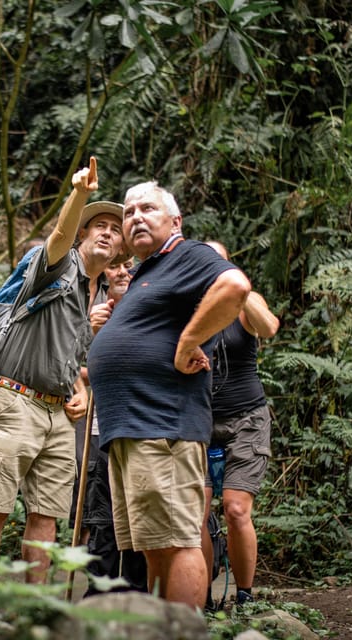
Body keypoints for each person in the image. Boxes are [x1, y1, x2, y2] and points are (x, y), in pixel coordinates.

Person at [87, 181, 251, 609]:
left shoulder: (187, 254)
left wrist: (187, 343)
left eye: (147, 208)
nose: (135, 217)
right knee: (153, 548)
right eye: (129, 212)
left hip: (162, 425)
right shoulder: (147, 271)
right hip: (131, 430)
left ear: (175, 221)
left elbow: (235, 286)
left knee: (177, 543)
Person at [0, 157, 124, 584]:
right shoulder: (56, 264)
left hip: (58, 414)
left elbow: (69, 354)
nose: (107, 233)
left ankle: (34, 602)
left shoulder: (102, 295)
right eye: (99, 226)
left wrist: (80, 389)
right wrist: (80, 194)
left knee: (47, 516)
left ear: (120, 249)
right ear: (83, 234)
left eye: (115, 231)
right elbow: (57, 236)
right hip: (13, 398)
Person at [199, 241, 280, 609]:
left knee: (235, 508)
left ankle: (245, 596)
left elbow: (269, 326)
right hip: (198, 419)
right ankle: (201, 597)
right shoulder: (187, 306)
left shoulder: (246, 302)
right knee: (195, 514)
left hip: (245, 418)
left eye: (218, 262)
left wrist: (240, 290)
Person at [81, 253, 148, 597]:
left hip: (142, 427)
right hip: (101, 428)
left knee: (140, 516)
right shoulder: (92, 308)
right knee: (102, 518)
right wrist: (94, 334)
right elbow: (73, 365)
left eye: (128, 266)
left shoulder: (150, 304)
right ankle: (98, 597)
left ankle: (137, 595)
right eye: (114, 266)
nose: (122, 272)